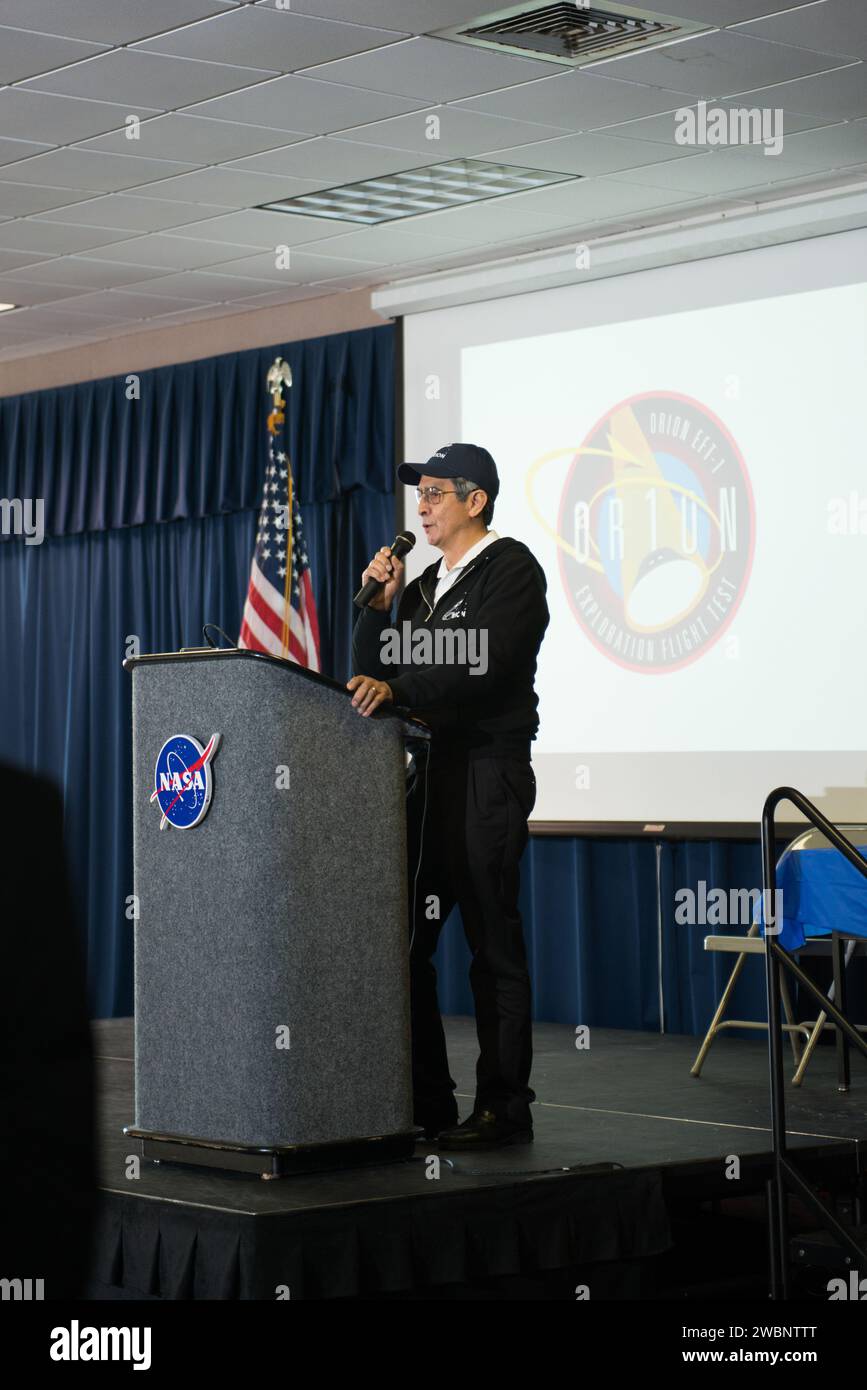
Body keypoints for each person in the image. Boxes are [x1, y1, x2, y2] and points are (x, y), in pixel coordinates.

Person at [348, 443, 549, 1150]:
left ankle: (503, 1110)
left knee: (490, 946)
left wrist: (402, 686)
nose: (422, 506)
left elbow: (481, 661)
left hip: (484, 772)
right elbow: (374, 672)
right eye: (419, 493)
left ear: (476, 500)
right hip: (425, 775)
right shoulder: (425, 586)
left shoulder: (510, 569)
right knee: (402, 943)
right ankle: (425, 1101)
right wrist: (378, 605)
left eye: (436, 492)